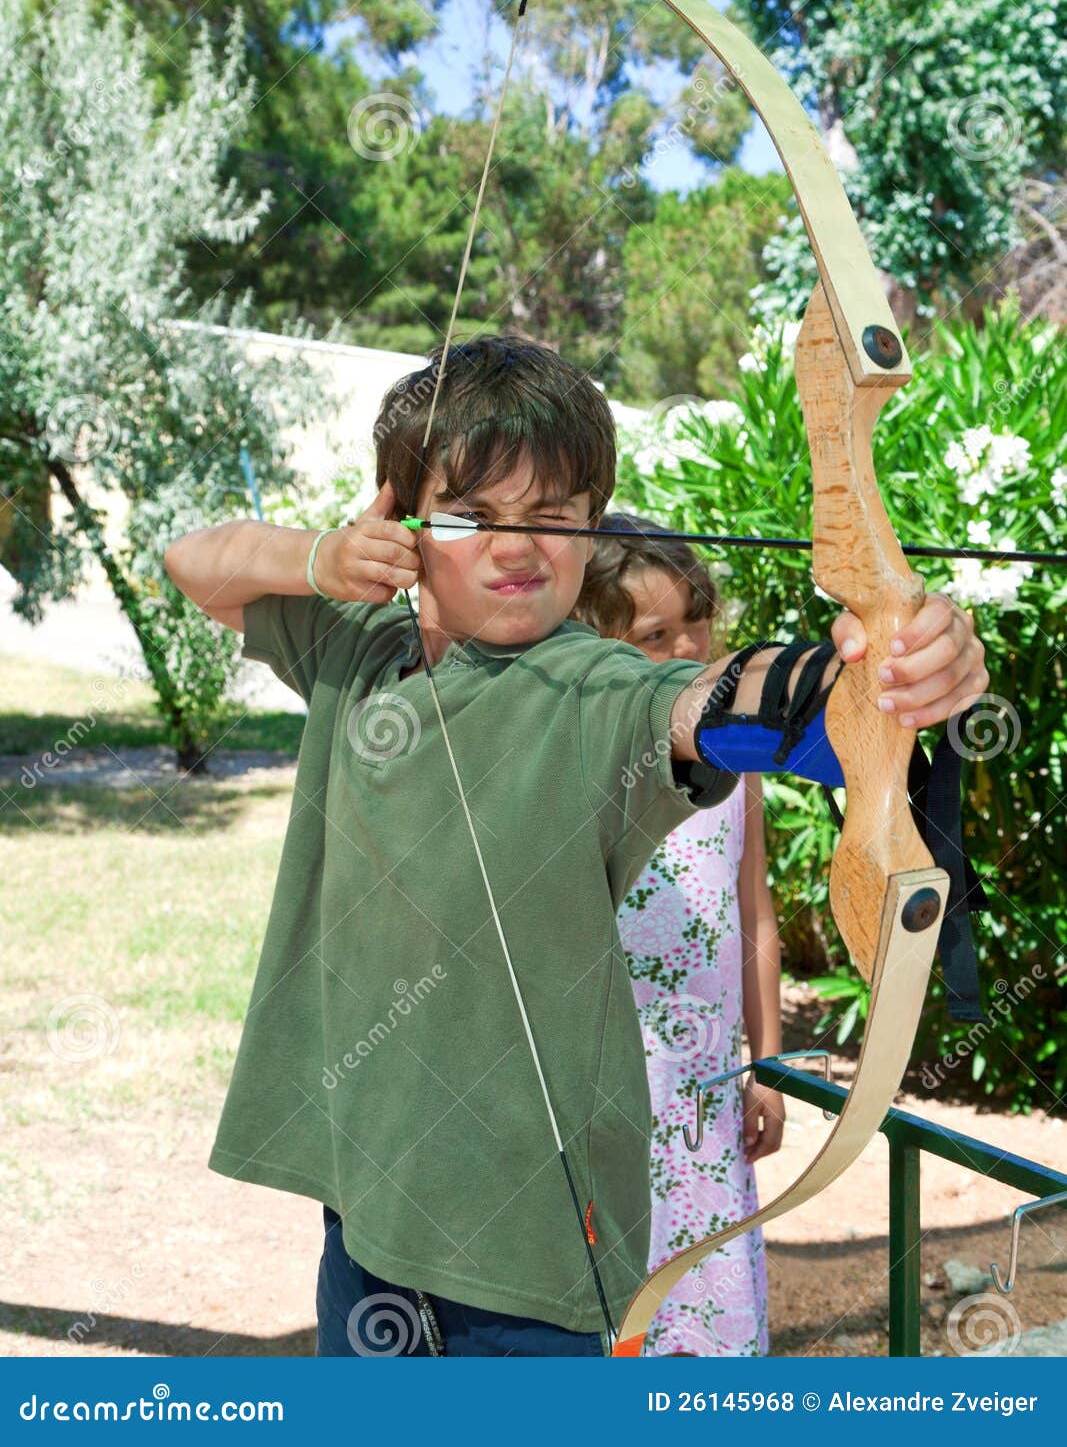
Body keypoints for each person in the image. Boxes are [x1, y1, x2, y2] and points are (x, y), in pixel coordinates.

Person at [163, 335, 987, 1358]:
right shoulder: (351, 643)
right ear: (403, 516)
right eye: (474, 515)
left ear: (592, 527)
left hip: (532, 1252)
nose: (518, 547)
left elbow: (717, 705)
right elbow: (193, 562)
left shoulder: (597, 687)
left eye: (554, 519)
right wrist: (317, 557)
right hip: (368, 1203)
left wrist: (883, 679)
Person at [573, 515, 779, 1356]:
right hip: (605, 1098)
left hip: (705, 1098)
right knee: (612, 1314)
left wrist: (764, 1064)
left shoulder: (735, 761)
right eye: (657, 634)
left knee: (710, 1317)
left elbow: (754, 915)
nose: (692, 645)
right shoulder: (585, 759)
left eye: (698, 618)